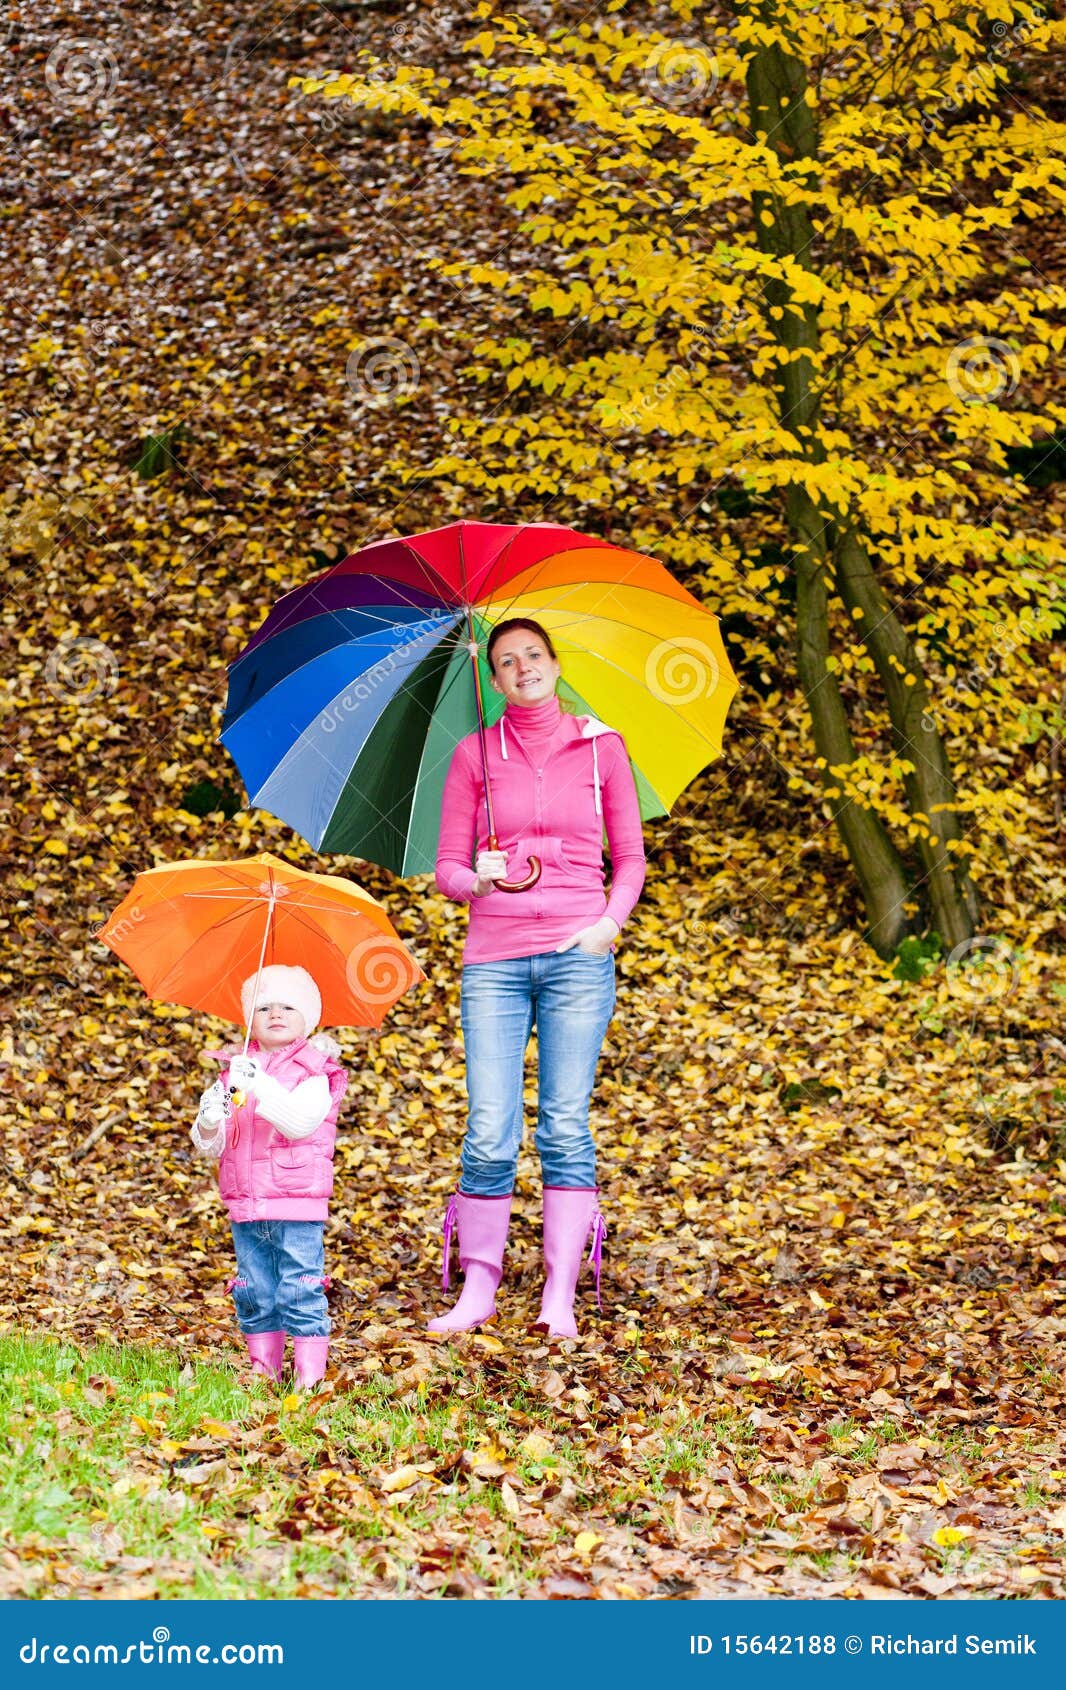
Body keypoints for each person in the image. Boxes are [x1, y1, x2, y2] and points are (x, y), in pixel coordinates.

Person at [431, 617, 646, 1336]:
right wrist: (476, 880)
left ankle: (560, 1288)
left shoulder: (601, 748)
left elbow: (633, 858)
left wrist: (608, 924)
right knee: (491, 1129)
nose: (521, 667)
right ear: (492, 679)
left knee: (563, 1124)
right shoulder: (474, 754)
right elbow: (446, 868)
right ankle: (480, 1286)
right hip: (493, 961)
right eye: (505, 661)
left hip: (577, 957)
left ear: (554, 664)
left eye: (532, 655)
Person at [191, 964, 348, 1387]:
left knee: (299, 1284)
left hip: (295, 1201)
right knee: (253, 1287)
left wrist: (260, 1084)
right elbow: (211, 1143)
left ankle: (309, 1376)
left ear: (308, 1017)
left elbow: (300, 1122)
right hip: (246, 1202)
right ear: (250, 1019)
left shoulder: (316, 1073)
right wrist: (209, 1119)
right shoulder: (233, 1073)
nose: (275, 1013)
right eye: (263, 1007)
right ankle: (264, 1369)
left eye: (287, 1006)